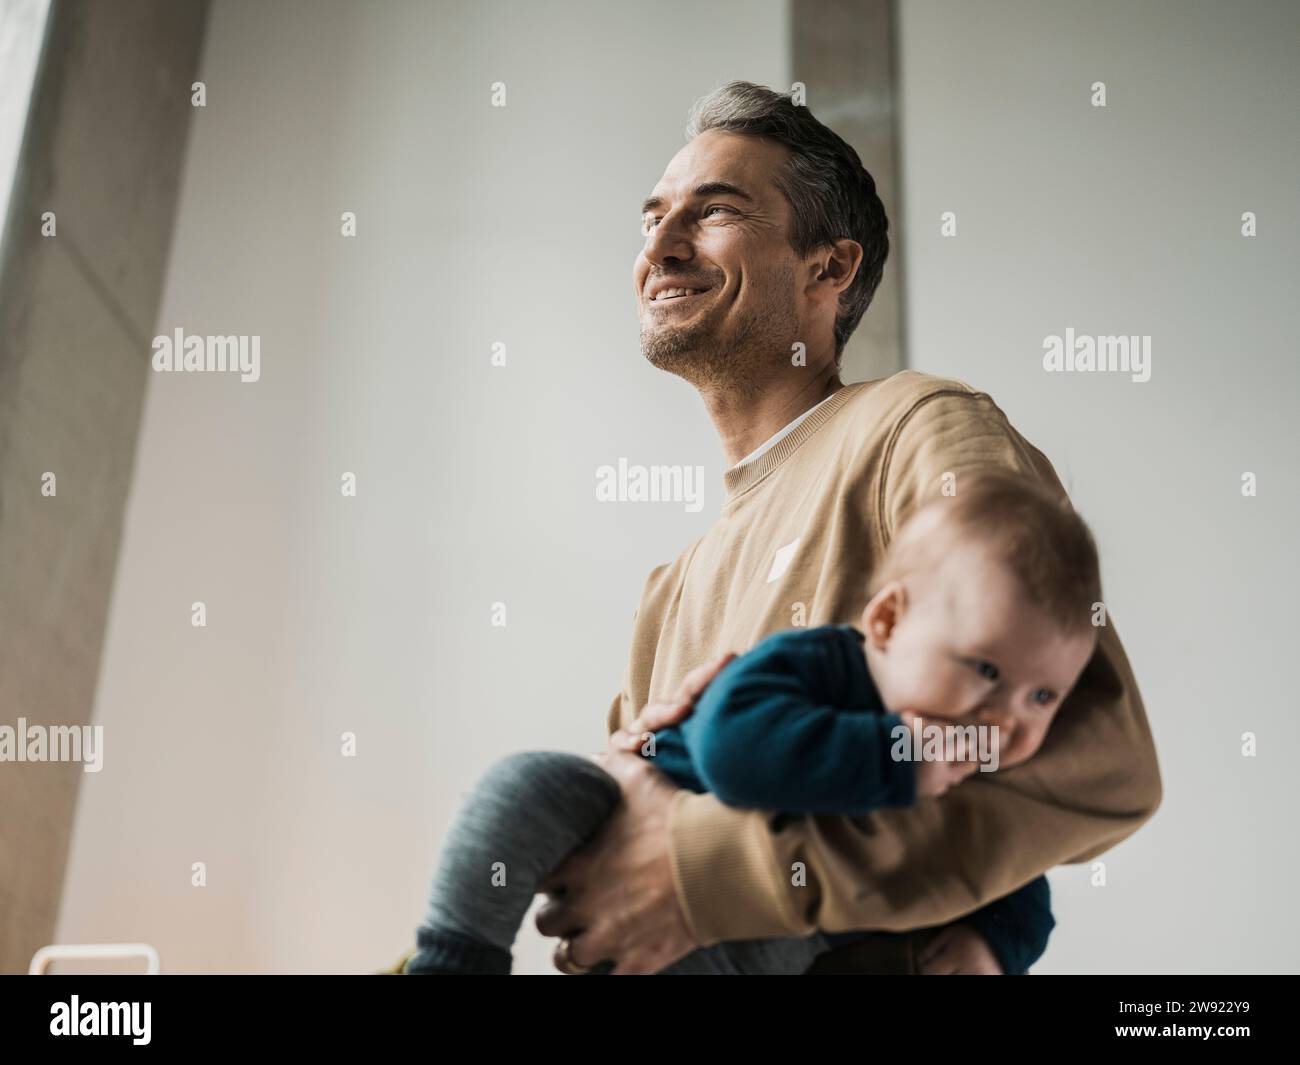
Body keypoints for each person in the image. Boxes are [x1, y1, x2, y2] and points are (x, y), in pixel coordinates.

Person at [529, 81, 1161, 976]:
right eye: (651, 218)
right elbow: (621, 864)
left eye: (712, 213)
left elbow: (1105, 768)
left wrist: (711, 875)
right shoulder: (668, 592)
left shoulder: (916, 422)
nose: (660, 246)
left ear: (830, 268)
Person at [405, 474, 1093, 975]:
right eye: (987, 672)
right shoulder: (816, 662)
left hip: (762, 942)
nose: (1005, 719)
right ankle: (453, 959)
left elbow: (1014, 874)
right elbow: (735, 753)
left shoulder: (977, 772)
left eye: (1043, 696)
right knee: (526, 788)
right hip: (639, 814)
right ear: (887, 621)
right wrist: (895, 755)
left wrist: (993, 947)